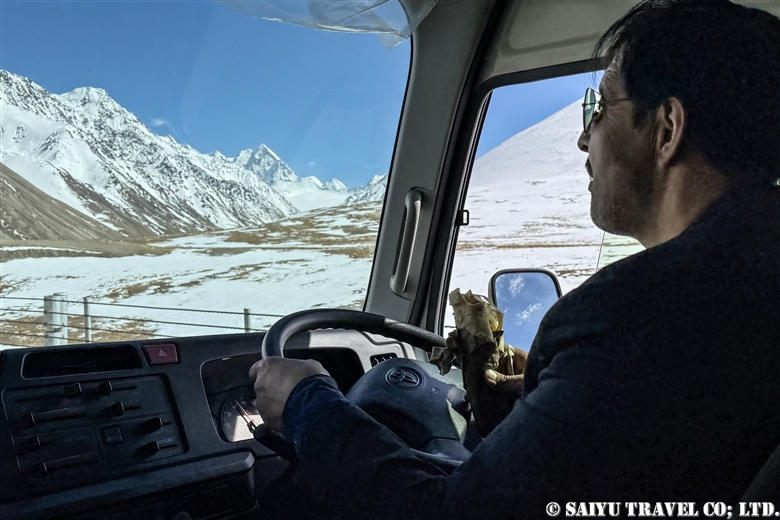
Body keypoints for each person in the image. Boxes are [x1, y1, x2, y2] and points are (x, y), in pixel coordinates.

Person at [249, 1, 780, 518]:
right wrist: (545, 398)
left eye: (599, 108)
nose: (581, 138)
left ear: (666, 129)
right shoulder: (746, 290)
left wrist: (306, 404)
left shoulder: (631, 316)